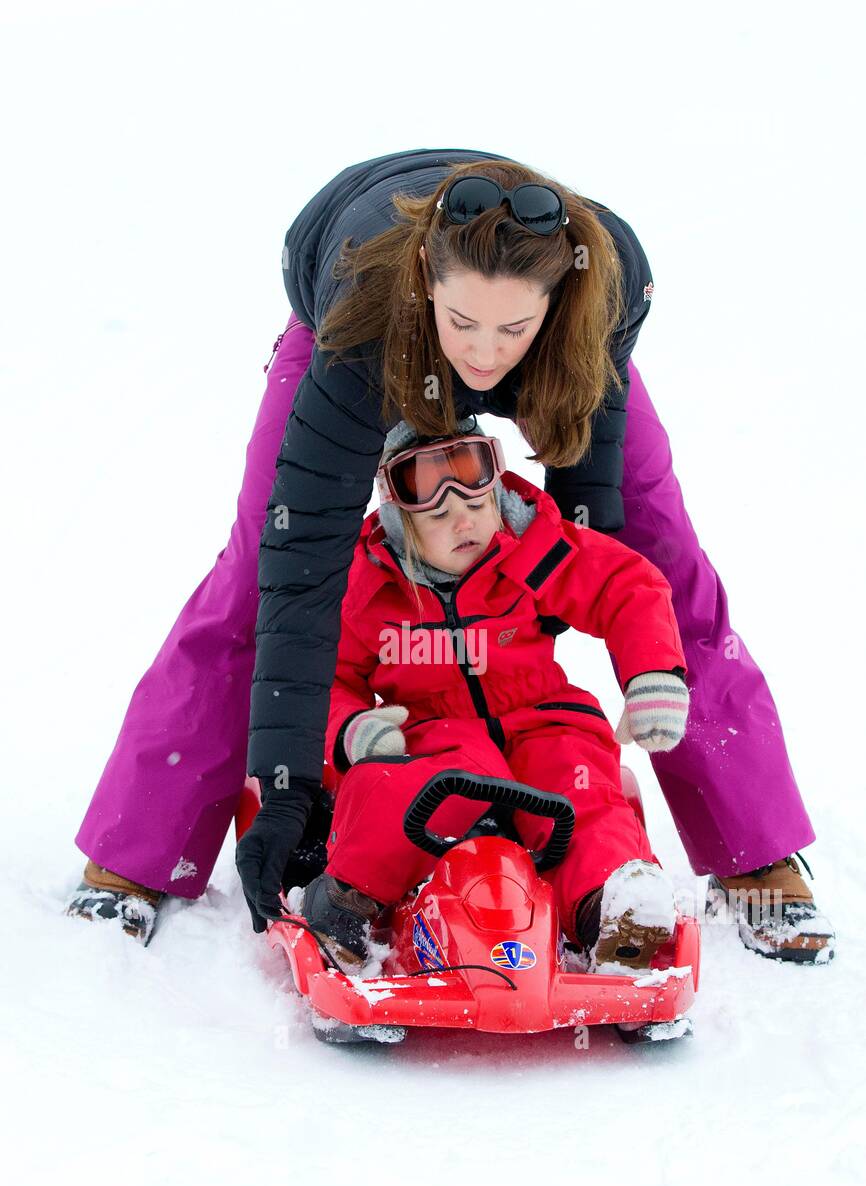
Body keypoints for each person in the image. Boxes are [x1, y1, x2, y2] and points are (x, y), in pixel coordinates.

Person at [65, 147, 831, 963]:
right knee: (259, 569)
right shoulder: (364, 321)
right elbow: (303, 564)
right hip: (372, 331)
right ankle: (139, 853)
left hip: (555, 335)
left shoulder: (596, 304)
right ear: (431, 276)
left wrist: (547, 668)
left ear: (556, 304)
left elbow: (595, 539)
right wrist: (288, 787)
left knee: (664, 557)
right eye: (463, 326)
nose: (484, 358)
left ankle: (757, 851)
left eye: (509, 332)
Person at [294, 421, 690, 974]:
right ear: (401, 524)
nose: (466, 523)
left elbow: (624, 586)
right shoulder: (372, 588)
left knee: (578, 787)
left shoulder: (532, 548)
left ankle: (614, 908)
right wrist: (355, 727)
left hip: (541, 716)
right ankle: (348, 897)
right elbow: (327, 676)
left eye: (479, 506)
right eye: (438, 516)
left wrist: (653, 673)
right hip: (434, 731)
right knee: (409, 788)